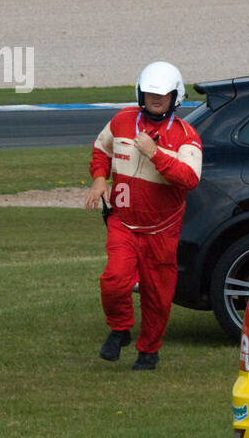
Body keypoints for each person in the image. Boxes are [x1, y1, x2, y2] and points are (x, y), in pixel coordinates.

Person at [85, 62, 202, 370]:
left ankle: (149, 351)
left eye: (163, 95)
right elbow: (101, 149)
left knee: (158, 297)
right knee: (113, 281)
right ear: (140, 92)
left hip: (162, 232)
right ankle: (120, 329)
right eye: (150, 93)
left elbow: (190, 178)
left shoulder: (186, 136)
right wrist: (99, 179)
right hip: (122, 223)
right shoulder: (122, 120)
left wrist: (154, 153)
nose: (156, 99)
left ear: (175, 97)